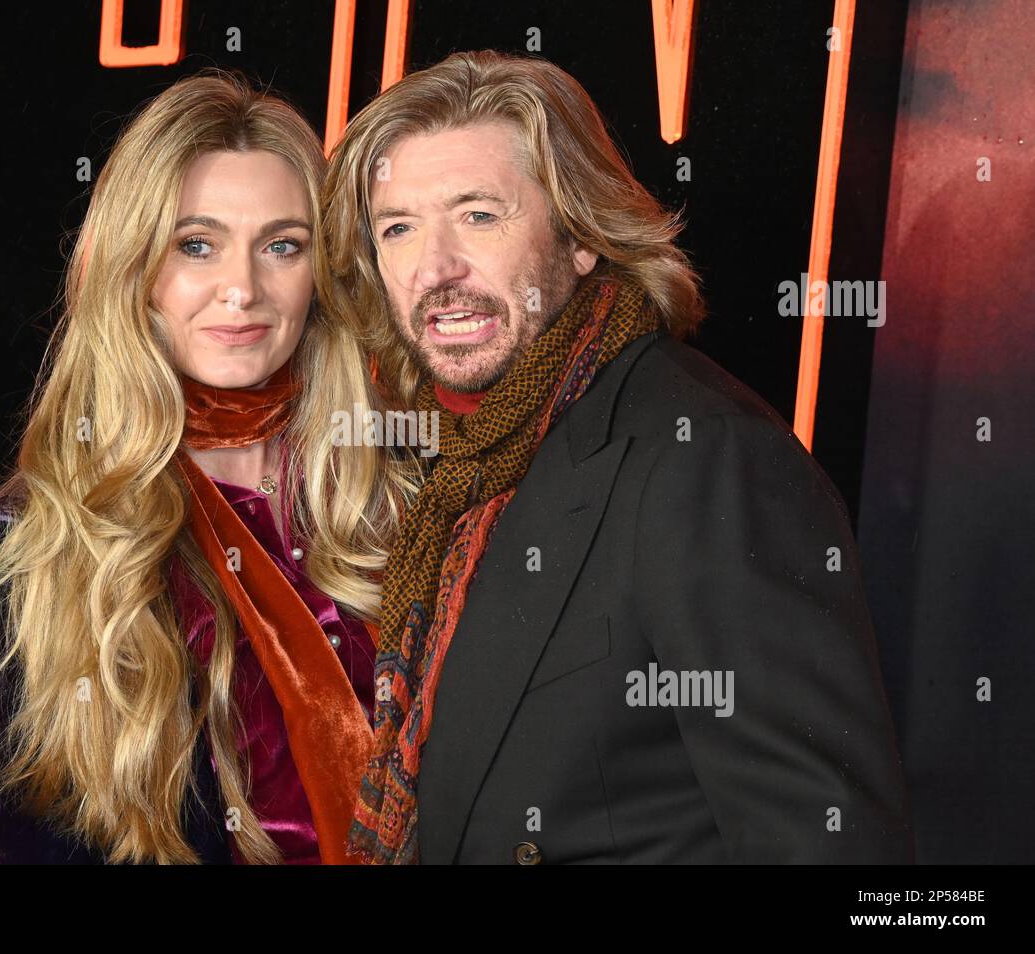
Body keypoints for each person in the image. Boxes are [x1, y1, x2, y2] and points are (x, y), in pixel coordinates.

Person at [322, 50, 915, 864]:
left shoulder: (705, 457)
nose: (436, 269)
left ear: (581, 237)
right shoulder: (430, 471)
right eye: (399, 228)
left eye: (479, 216)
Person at [0, 71, 412, 864]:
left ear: (322, 272)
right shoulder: (38, 545)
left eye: (282, 246)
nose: (242, 289)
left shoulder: (396, 488)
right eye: (196, 245)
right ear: (135, 270)